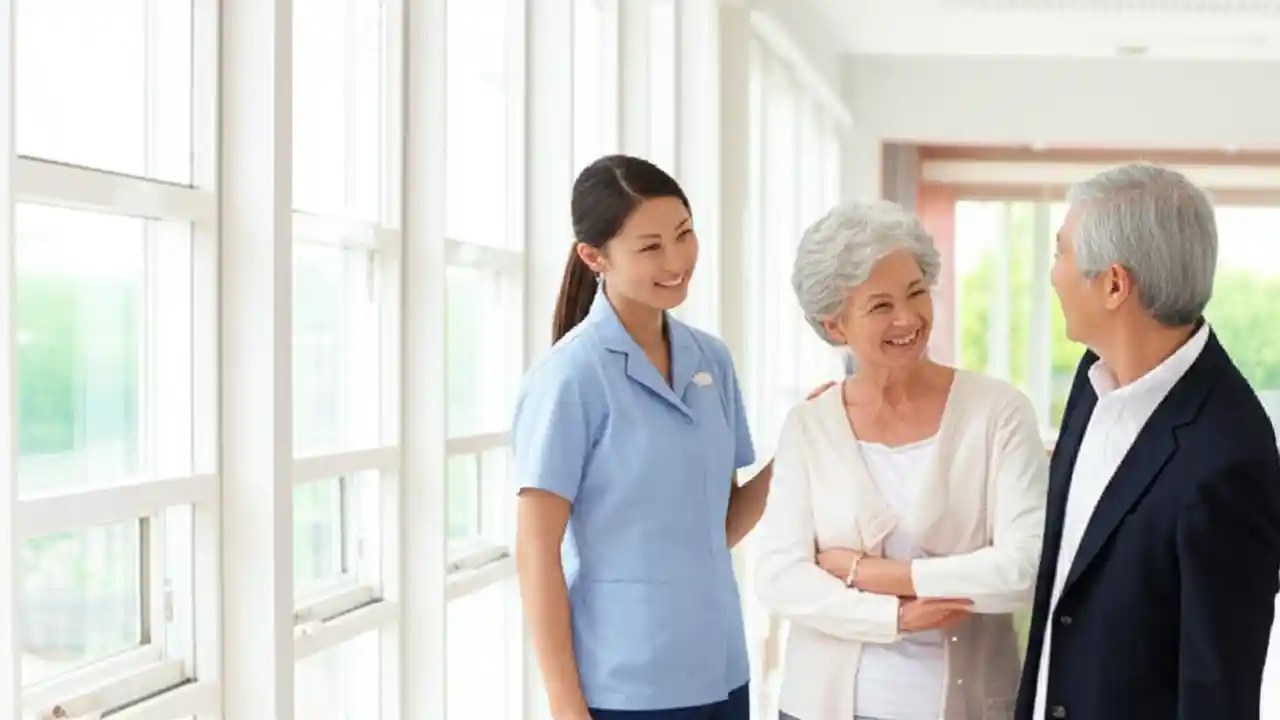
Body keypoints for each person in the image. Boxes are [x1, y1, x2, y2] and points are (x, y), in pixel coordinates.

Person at [756, 200, 1049, 720]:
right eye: (880, 306)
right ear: (835, 324)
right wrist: (895, 617)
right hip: (819, 708)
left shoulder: (998, 412)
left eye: (917, 292)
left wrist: (878, 573)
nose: (908, 318)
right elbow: (780, 578)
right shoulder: (809, 426)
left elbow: (1023, 570)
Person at [1015, 164, 1280, 720]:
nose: (1054, 274)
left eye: (1059, 254)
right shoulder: (1091, 382)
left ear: (1114, 283)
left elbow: (1218, 690)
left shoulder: (1230, 454)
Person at [512, 155, 768, 720]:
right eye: (651, 247)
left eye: (684, 234)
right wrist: (565, 704)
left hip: (721, 669)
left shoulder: (711, 360)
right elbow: (536, 553)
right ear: (593, 256)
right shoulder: (571, 377)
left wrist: (798, 448)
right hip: (625, 687)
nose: (677, 260)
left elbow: (718, 526)